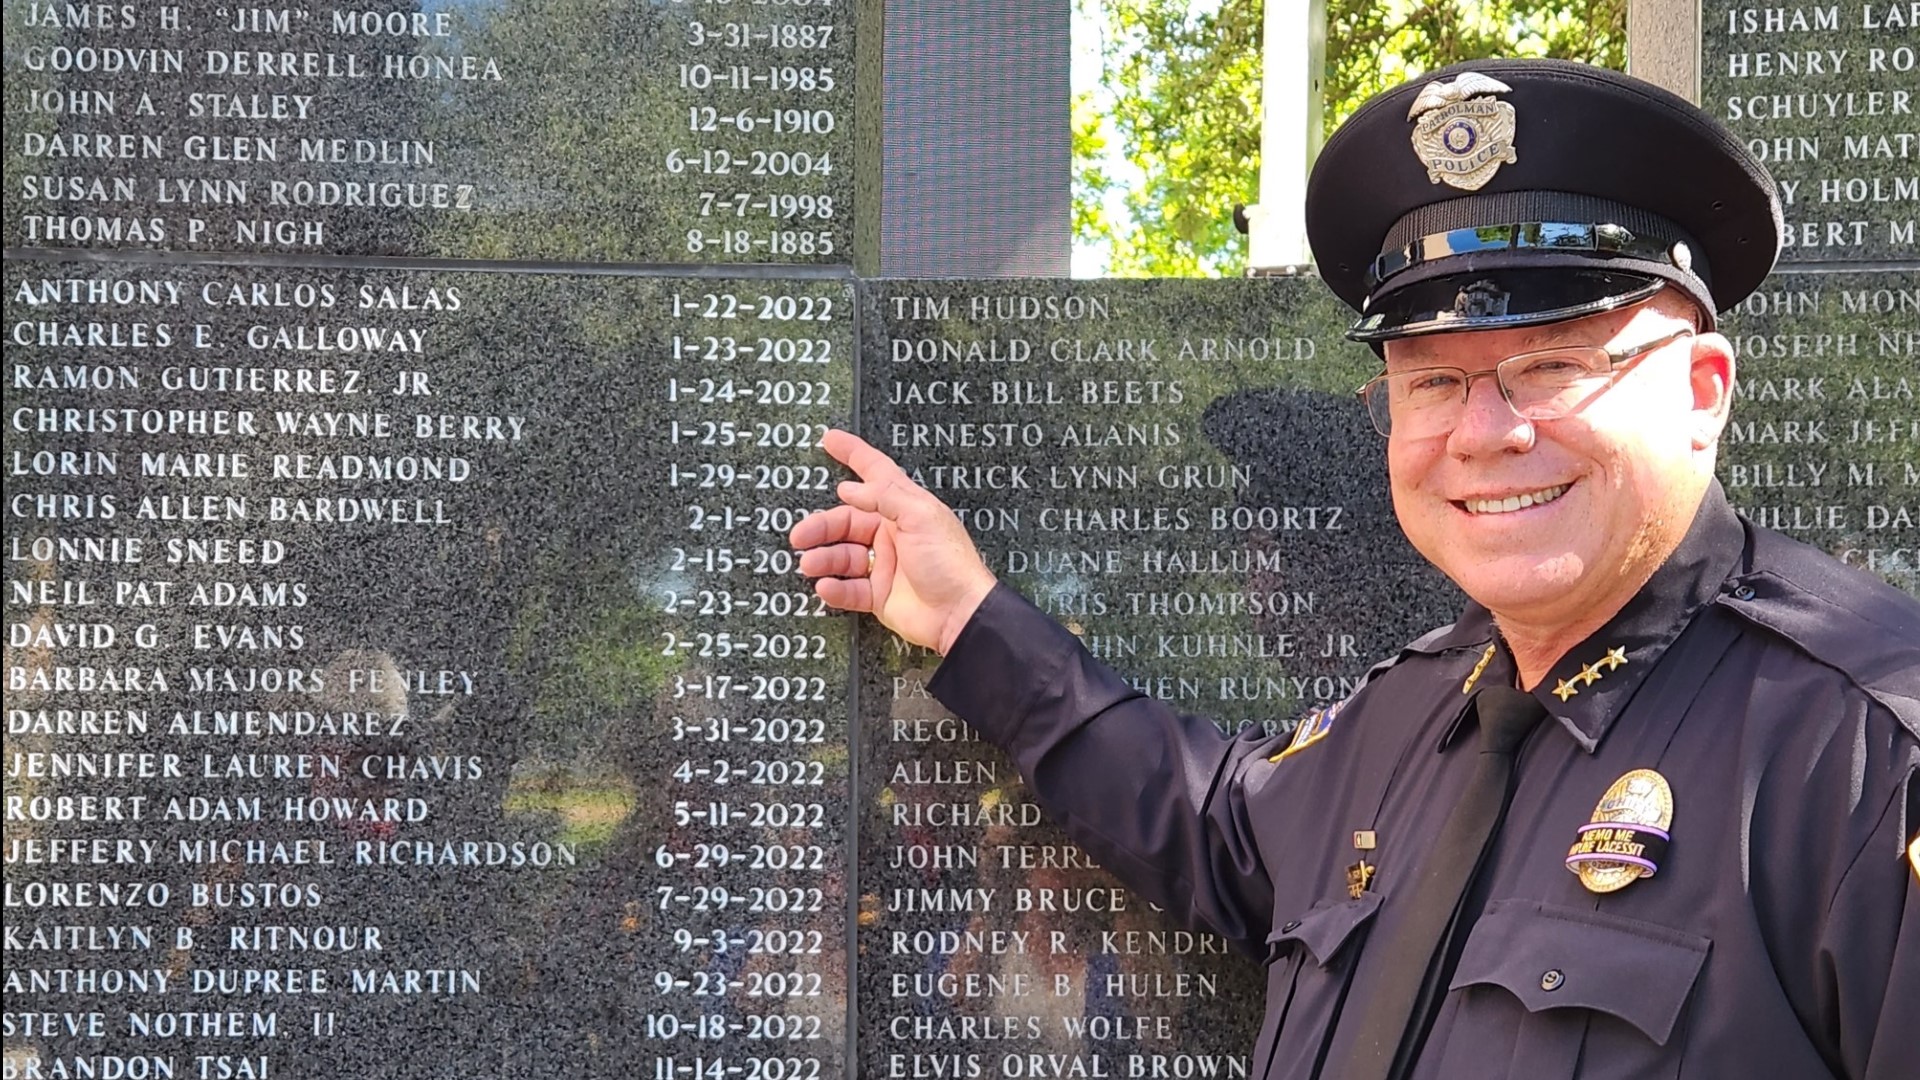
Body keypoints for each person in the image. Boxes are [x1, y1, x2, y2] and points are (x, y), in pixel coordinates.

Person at [791, 58, 1920, 1079]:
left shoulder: (1869, 759)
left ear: (1703, 390)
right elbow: (1209, 819)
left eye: (1553, 364)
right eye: (1431, 380)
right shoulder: (1409, 717)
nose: (1486, 432)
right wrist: (970, 618)